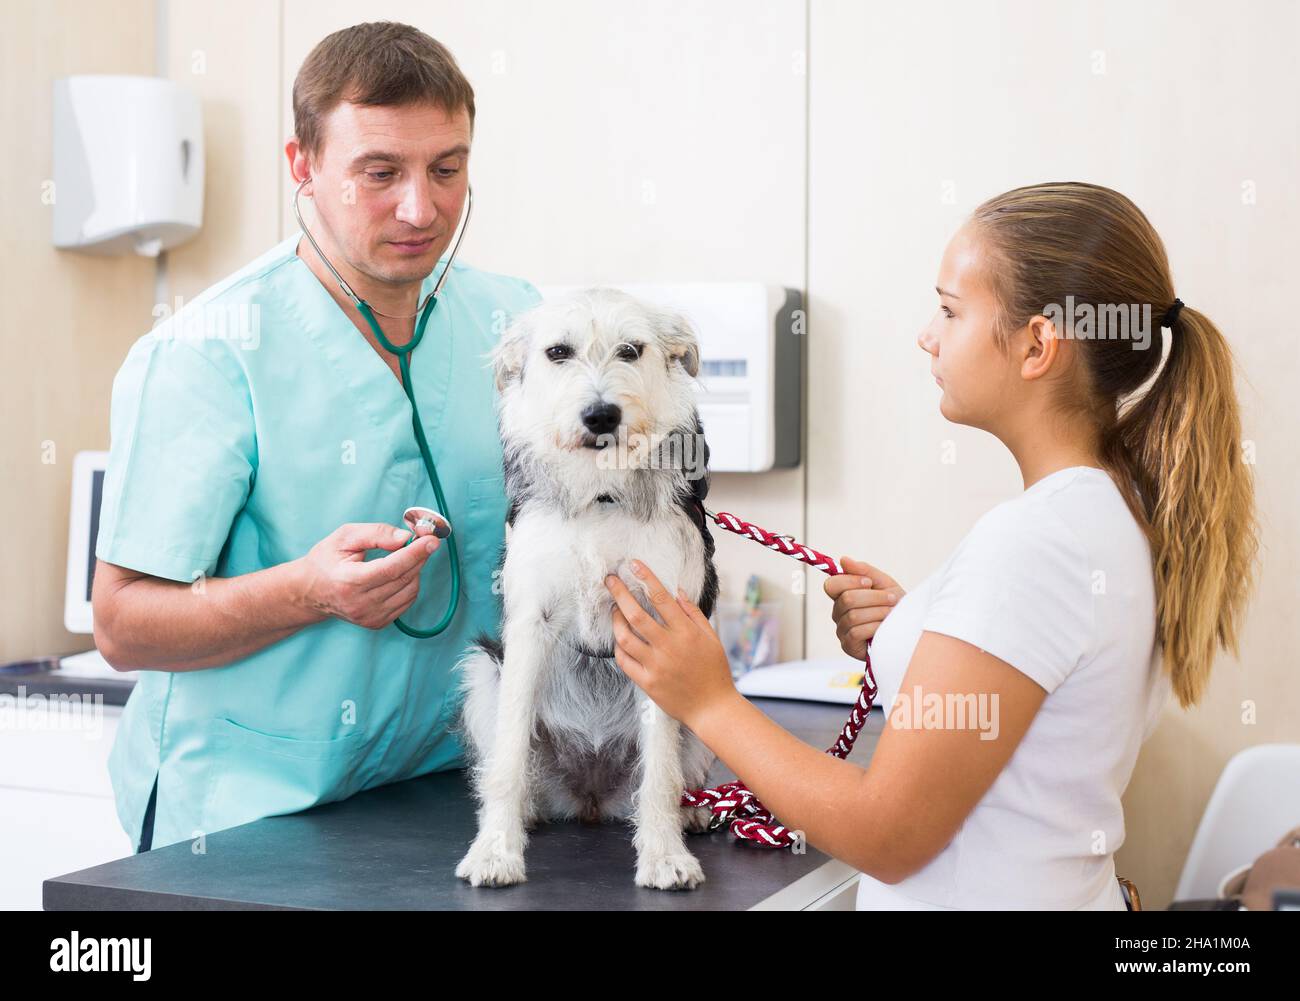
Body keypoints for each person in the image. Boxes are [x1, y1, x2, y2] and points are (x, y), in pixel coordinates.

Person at [605, 181, 1260, 909]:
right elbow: (1037, 703)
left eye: (950, 310)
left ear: (1038, 344)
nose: (928, 334)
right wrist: (915, 633)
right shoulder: (1123, 507)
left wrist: (710, 700)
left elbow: (887, 831)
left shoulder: (1036, 543)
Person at [92, 22, 540, 852]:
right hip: (249, 820)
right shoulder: (208, 352)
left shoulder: (518, 327)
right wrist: (307, 589)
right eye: (380, 173)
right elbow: (122, 624)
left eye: (448, 168)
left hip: (439, 800)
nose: (421, 207)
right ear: (302, 165)